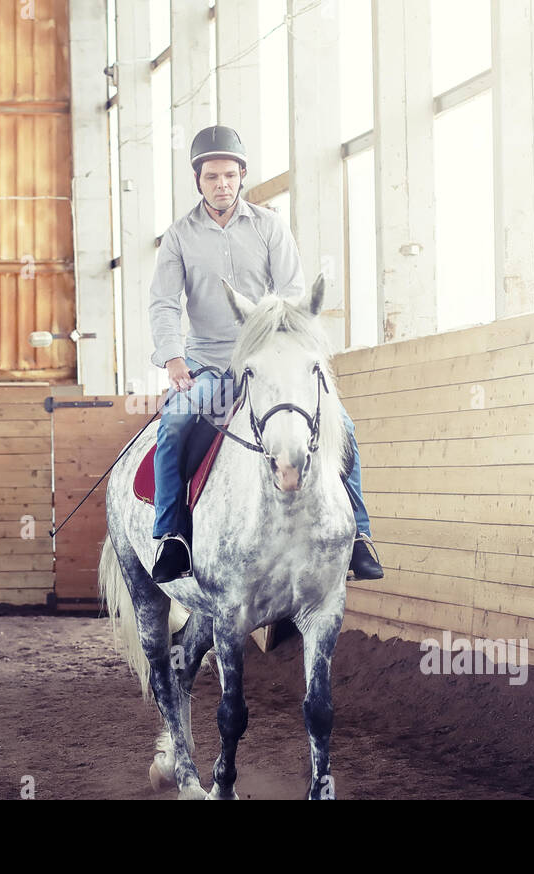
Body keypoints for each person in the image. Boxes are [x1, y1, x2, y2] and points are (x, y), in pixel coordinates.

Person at [147, 124, 383, 584]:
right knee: (174, 424)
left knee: (345, 428)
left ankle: (358, 538)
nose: (222, 185)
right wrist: (173, 356)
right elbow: (162, 303)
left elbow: (294, 294)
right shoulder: (178, 237)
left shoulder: (271, 227)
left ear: (242, 176)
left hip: (269, 361)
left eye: (230, 175)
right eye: (212, 176)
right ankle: (172, 536)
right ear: (198, 179)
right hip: (210, 365)